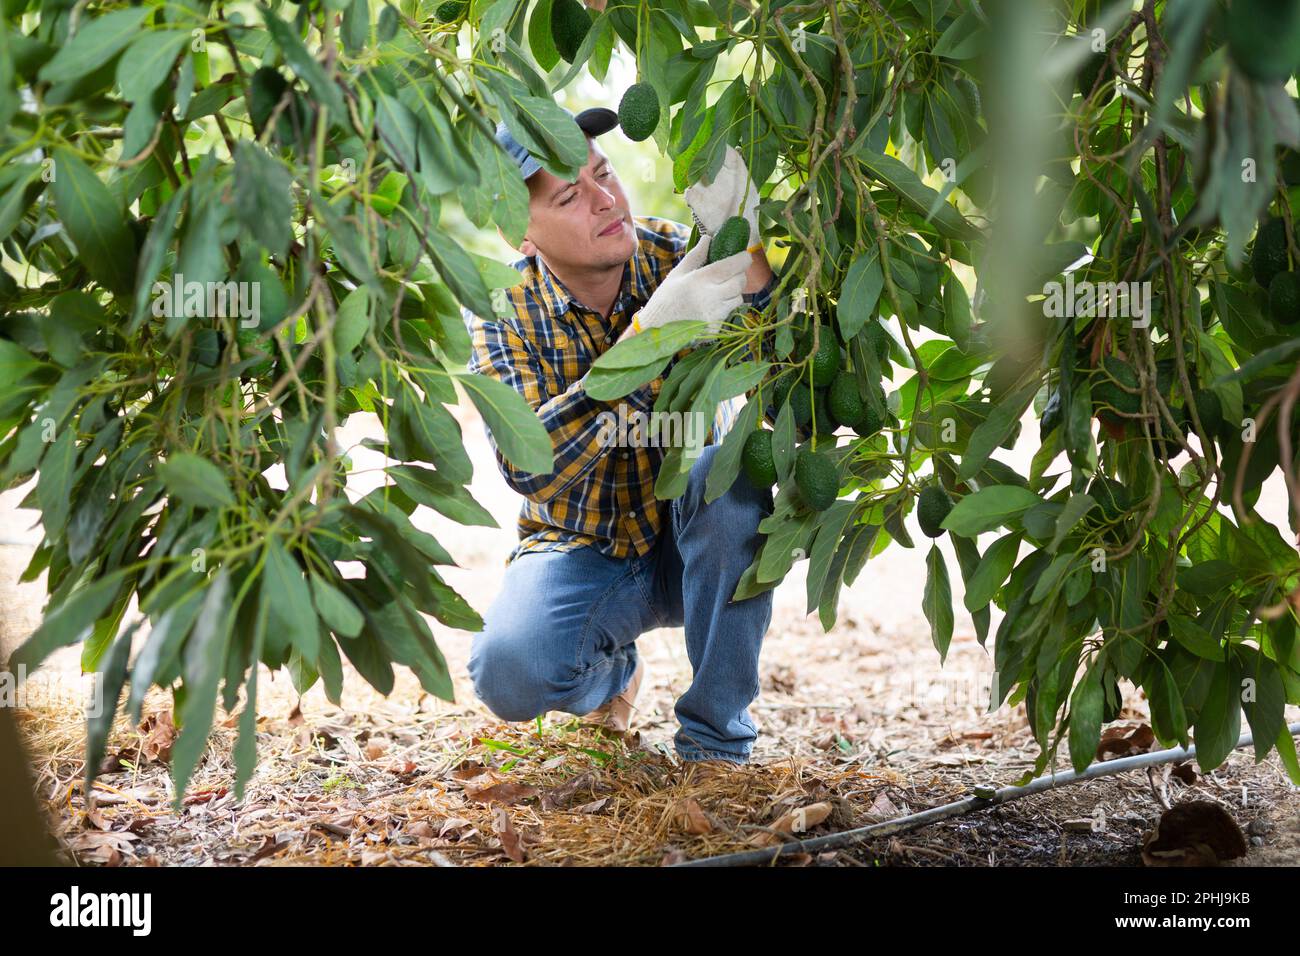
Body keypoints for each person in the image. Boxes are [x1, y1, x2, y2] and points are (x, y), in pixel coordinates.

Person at [462, 105, 776, 772]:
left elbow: (790, 355)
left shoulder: (675, 257)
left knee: (734, 478)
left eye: (603, 173)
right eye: (572, 196)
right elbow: (529, 465)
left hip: (698, 540)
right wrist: (645, 343)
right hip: (584, 549)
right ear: (522, 233)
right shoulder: (499, 308)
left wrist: (757, 257)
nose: (606, 201)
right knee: (508, 670)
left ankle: (716, 743)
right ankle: (612, 670)